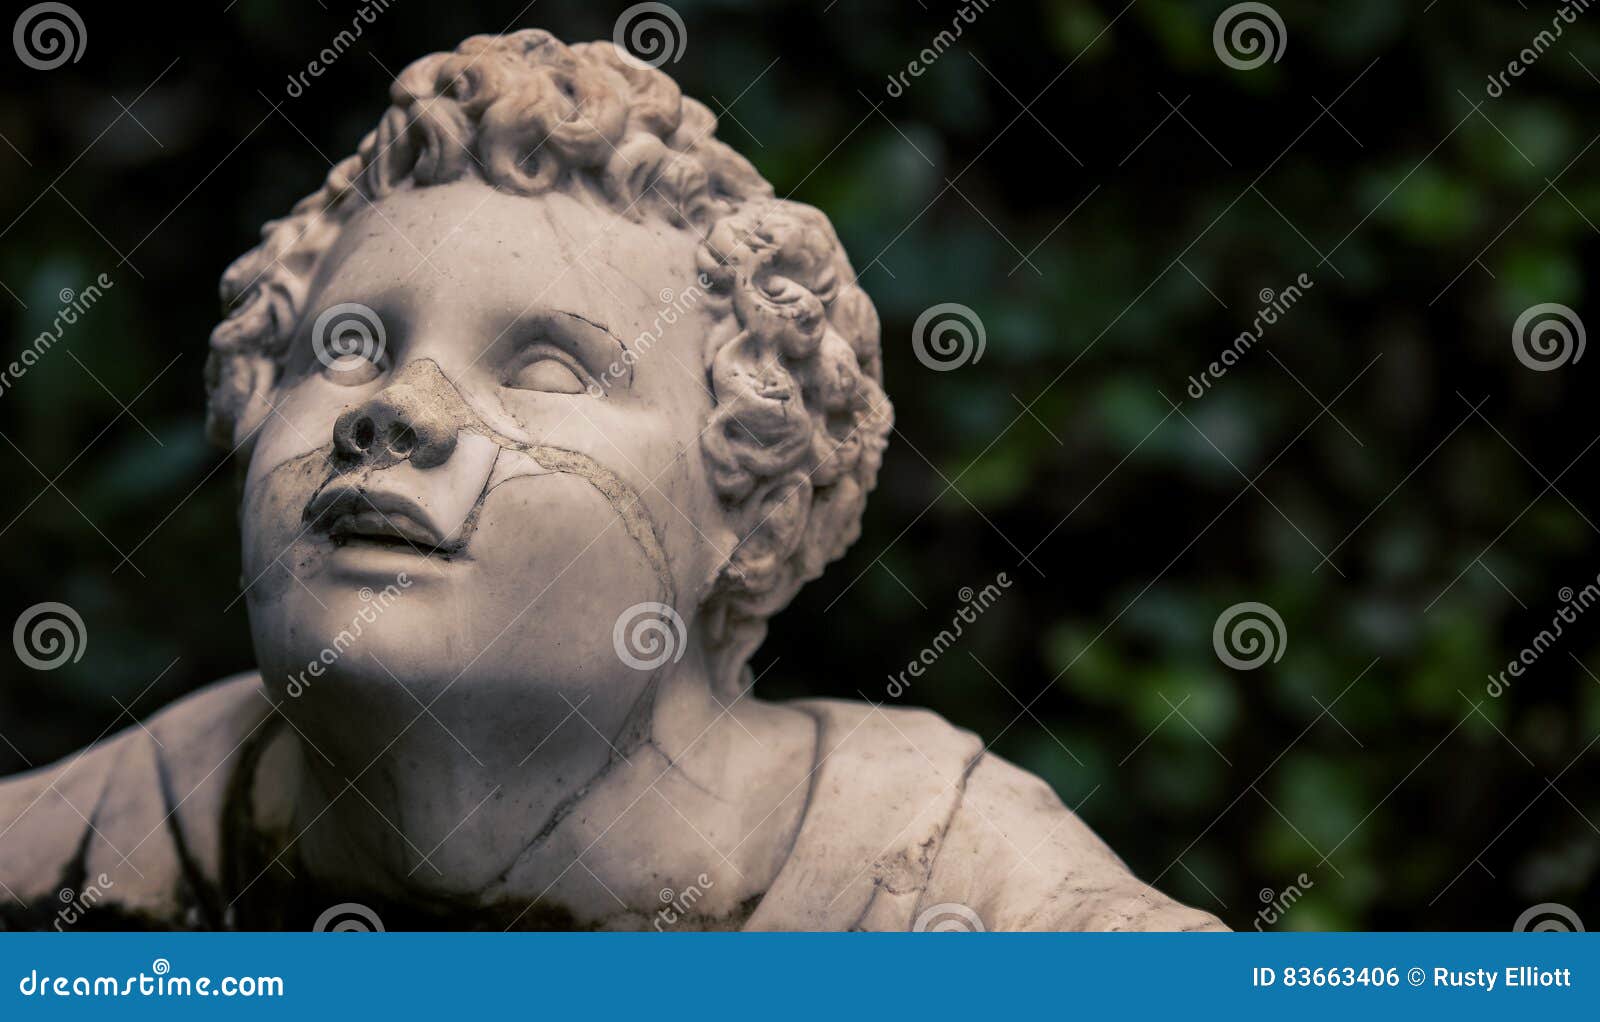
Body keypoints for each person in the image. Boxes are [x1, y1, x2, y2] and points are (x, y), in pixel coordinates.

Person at [0, 30, 1222, 932]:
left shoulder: (932, 876)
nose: (392, 411)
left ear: (752, 513)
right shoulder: (126, 832)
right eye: (349, 346)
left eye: (544, 365)